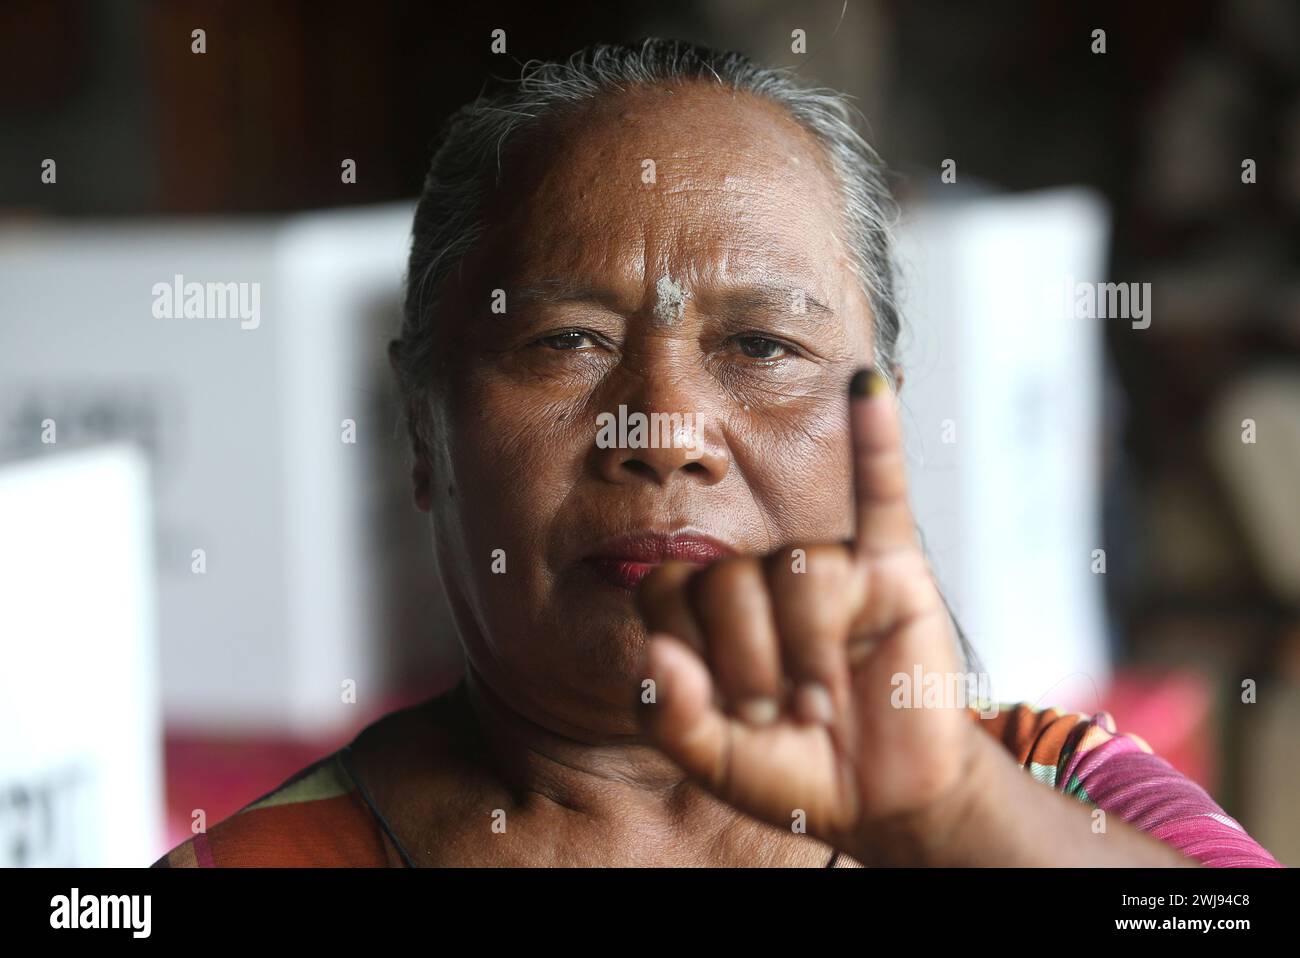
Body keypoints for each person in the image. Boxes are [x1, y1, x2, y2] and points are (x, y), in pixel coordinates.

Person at [153, 38, 1280, 868]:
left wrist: (958, 823)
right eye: (566, 341)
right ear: (421, 430)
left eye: (760, 344)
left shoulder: (1065, 803)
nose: (666, 432)